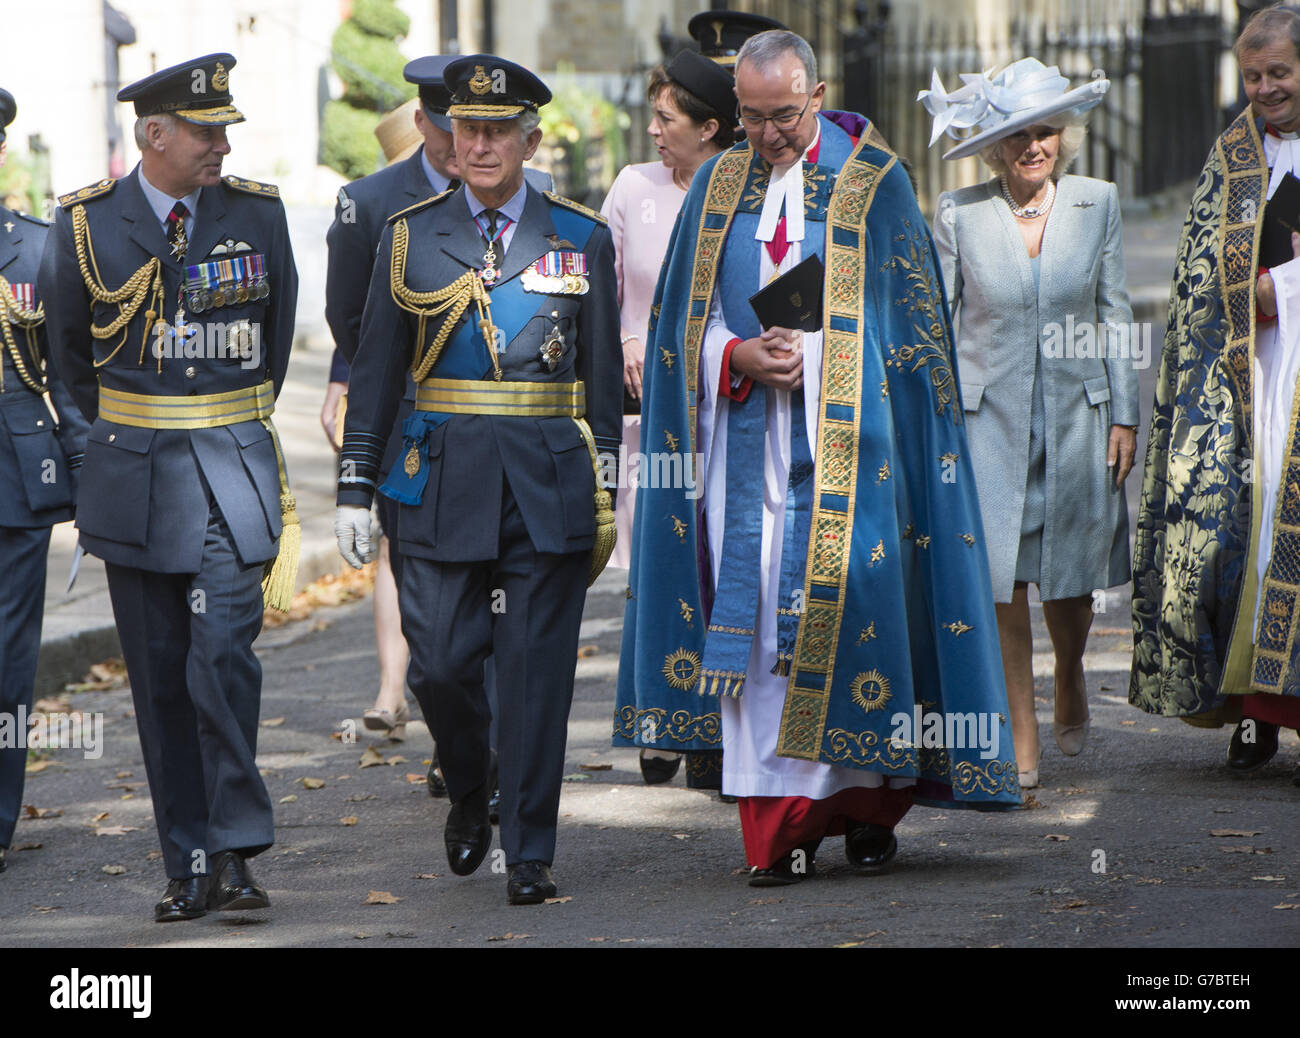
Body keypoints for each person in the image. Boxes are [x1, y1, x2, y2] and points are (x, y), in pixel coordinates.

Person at [620, 29, 1020, 888]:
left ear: (818, 92)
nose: (767, 135)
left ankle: (866, 802)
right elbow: (673, 330)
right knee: (760, 614)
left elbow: (915, 347)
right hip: (741, 454)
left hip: (852, 461)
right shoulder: (719, 185)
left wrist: (822, 361)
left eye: (784, 116)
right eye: (751, 117)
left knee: (858, 618)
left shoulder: (876, 184)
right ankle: (779, 828)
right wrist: (734, 356)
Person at [335, 54, 621, 905]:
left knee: (536, 676)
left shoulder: (580, 234)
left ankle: (529, 850)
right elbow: (378, 369)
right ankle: (470, 786)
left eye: (500, 131)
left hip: (545, 478)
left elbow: (601, 377)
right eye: (469, 130)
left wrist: (609, 478)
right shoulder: (410, 234)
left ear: (530, 140)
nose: (483, 145)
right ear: (449, 137)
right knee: (442, 667)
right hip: (436, 477)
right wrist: (354, 482)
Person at [40, 54, 299, 921]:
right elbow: (66, 359)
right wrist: (99, 457)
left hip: (231, 471)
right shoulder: (83, 226)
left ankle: (236, 850)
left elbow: (273, 333)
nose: (222, 144)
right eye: (205, 130)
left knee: (221, 655)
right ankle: (188, 862)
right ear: (154, 135)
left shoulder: (256, 215)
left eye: (225, 129)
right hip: (135, 479)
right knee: (157, 681)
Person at [922, 59, 1139, 788]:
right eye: (1017, 133)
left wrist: (1125, 414)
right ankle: (1021, 725)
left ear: (1062, 138)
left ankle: (1070, 672)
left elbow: (1115, 310)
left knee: (1072, 578)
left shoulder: (1097, 202)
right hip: (990, 419)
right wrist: (939, 420)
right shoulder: (959, 212)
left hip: (1079, 417)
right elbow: (942, 323)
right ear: (994, 144)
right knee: (1002, 578)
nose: (1032, 145)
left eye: (1044, 130)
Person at [1132, 4, 1300, 784]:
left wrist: (1283, 286)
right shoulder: (1233, 154)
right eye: (1254, 76)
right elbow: (1198, 272)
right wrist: (1245, 296)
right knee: (1243, 534)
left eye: (1280, 74)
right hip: (1246, 377)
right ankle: (1252, 710)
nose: (1265, 89)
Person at [604, 48, 737, 789]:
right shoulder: (632, 188)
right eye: (652, 115)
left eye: (666, 118)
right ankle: (660, 713)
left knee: (722, 557)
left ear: (709, 127)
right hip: (652, 413)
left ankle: (716, 728)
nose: (653, 130)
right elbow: (604, 287)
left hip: (728, 406)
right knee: (656, 561)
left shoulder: (746, 191)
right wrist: (627, 339)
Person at [0, 87, 90, 876]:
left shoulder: (34, 248)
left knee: (5, 656)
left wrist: (94, 479)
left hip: (13, 476)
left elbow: (71, 375)